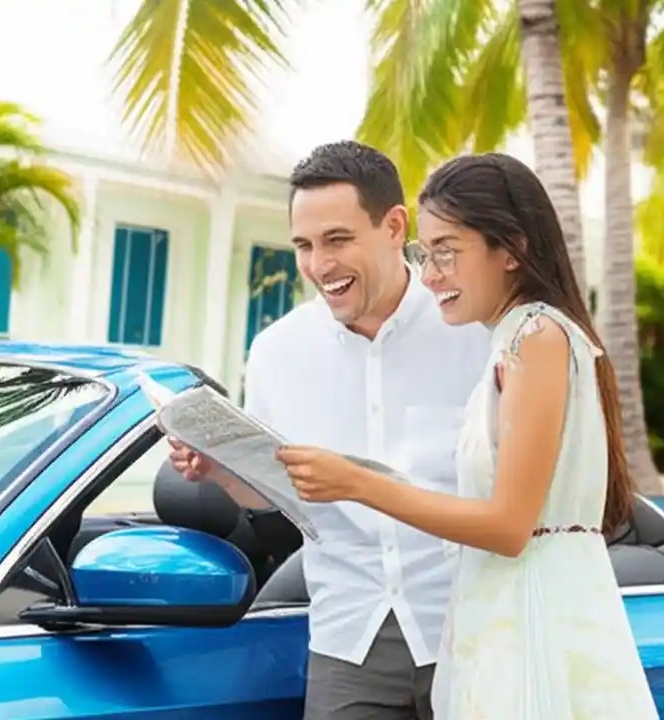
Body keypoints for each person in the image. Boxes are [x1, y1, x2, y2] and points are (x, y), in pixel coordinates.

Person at [274, 152, 660, 719]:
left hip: (530, 626)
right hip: (495, 619)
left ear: (511, 249)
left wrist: (356, 482)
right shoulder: (513, 341)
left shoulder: (537, 336)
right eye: (426, 257)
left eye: (447, 254)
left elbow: (508, 527)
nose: (431, 276)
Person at [167, 140, 493, 719]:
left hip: (475, 628)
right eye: (304, 245)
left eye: (338, 240)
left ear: (395, 227)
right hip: (350, 638)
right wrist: (220, 470)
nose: (320, 265)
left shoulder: (475, 331)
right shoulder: (276, 353)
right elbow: (276, 495)